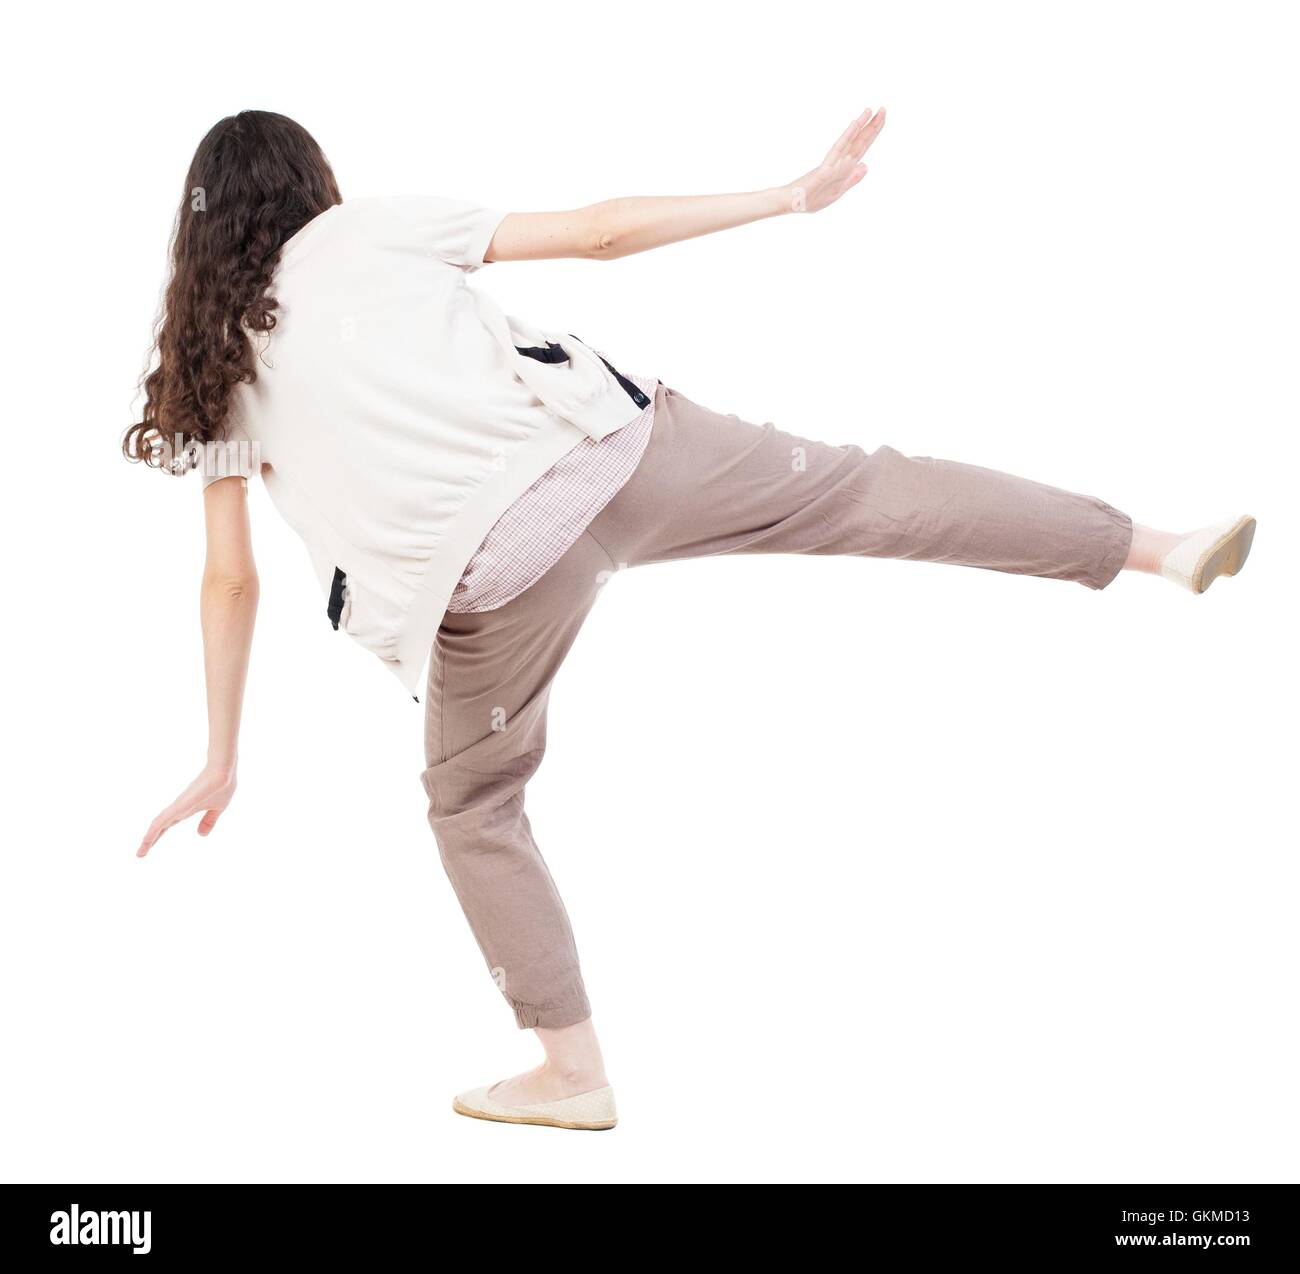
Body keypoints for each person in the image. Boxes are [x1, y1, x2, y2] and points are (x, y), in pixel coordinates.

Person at [127, 109, 1255, 1132]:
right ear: (310, 180)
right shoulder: (370, 229)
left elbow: (229, 581)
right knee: (869, 490)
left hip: (487, 585)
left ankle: (572, 1071)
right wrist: (786, 196)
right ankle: (1153, 546)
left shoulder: (206, 363)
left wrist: (222, 755)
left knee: (472, 805)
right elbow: (600, 232)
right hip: (612, 456)